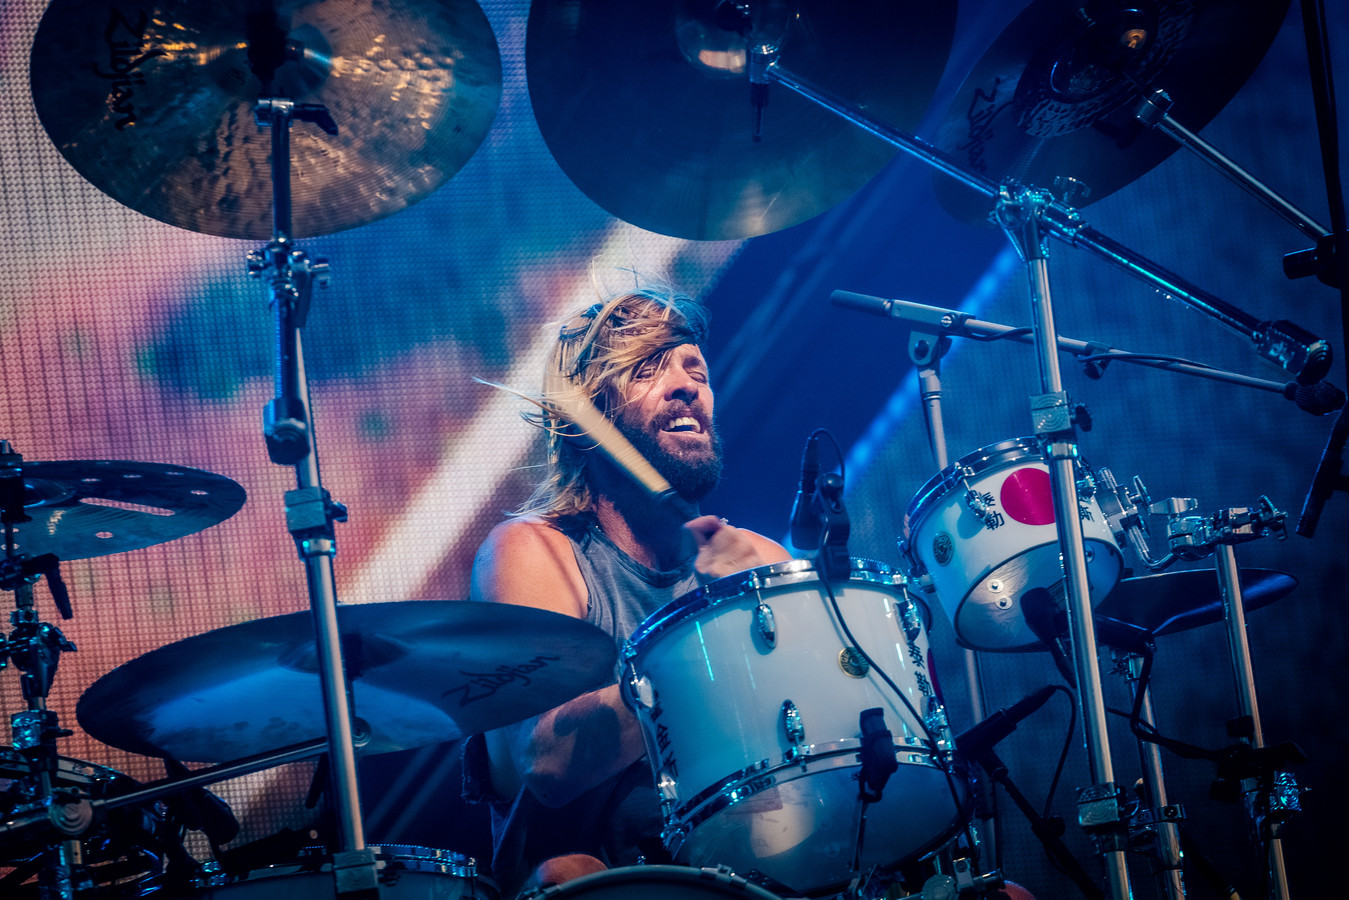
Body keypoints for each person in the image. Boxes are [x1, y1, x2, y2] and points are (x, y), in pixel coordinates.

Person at [462, 284, 791, 897]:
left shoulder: (760, 559)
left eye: (696, 369)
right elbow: (550, 765)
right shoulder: (533, 554)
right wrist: (714, 631)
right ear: (587, 419)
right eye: (647, 369)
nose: (687, 384)